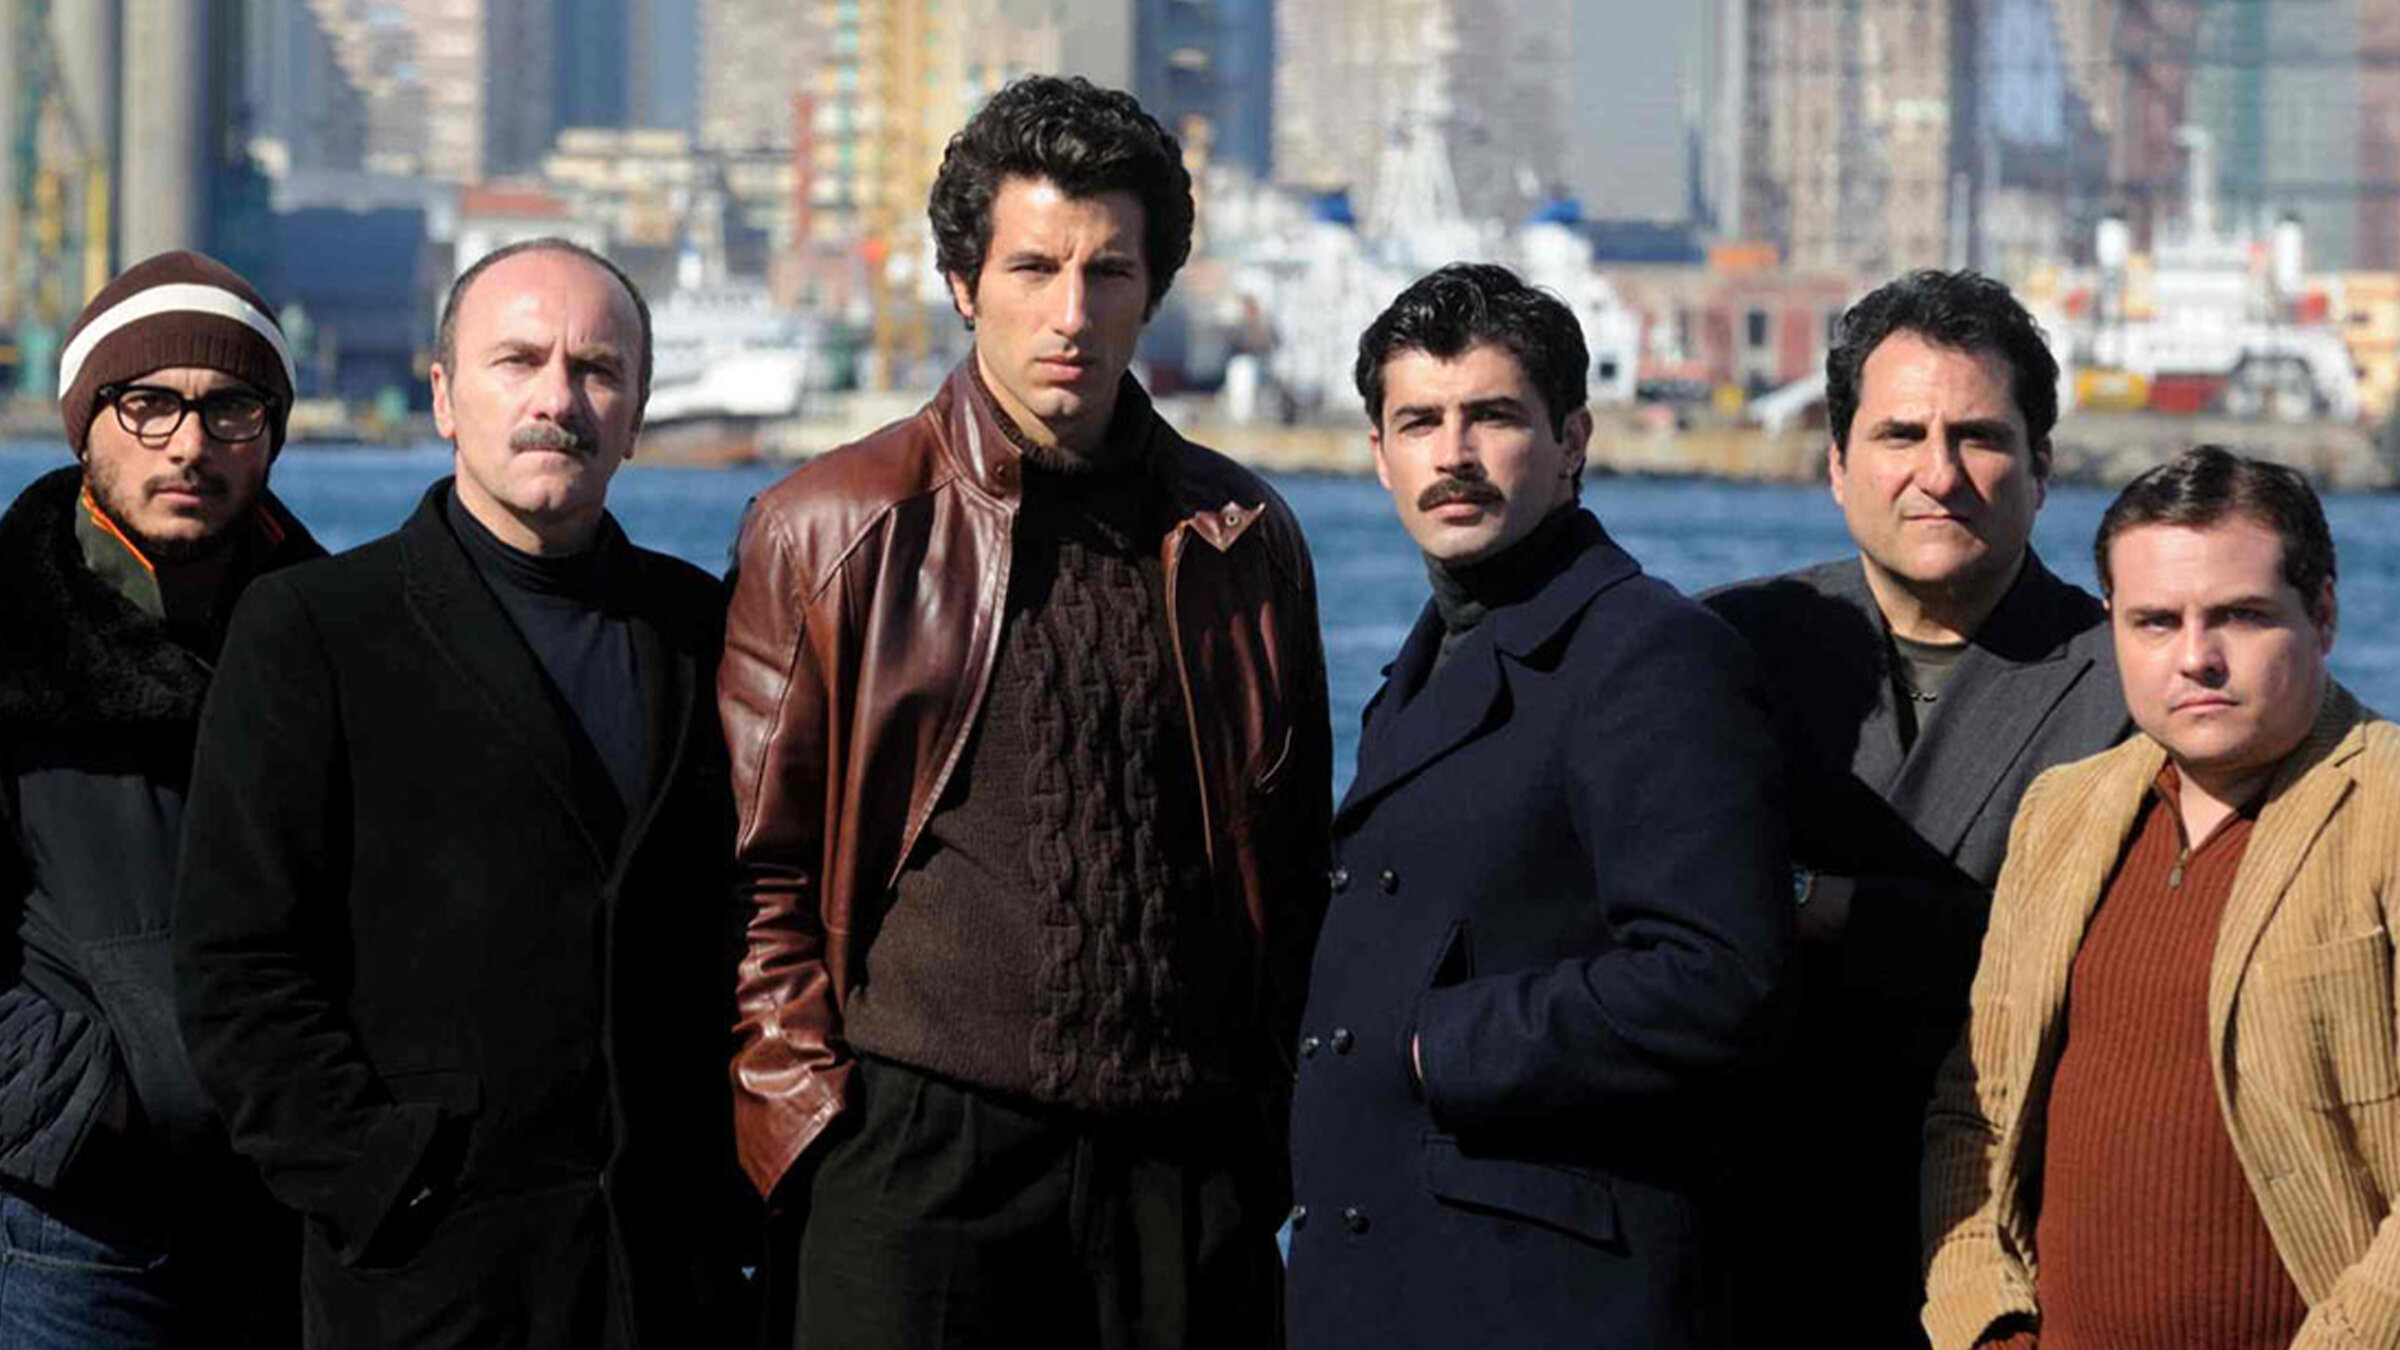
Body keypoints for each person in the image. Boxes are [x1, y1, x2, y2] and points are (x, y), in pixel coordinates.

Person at [720, 74, 1331, 1348]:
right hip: (915, 1165)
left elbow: (1289, 866)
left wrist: (1265, 1131)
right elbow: (756, 873)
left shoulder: (1242, 537)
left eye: (1109, 273)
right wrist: (810, 1128)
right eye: (1034, 268)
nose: (1071, 314)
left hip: (1183, 1171)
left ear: (1154, 291)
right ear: (963, 284)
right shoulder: (831, 527)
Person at [173, 238, 744, 1348]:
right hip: (427, 1282)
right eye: (517, 361)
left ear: (636, 415)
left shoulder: (705, 628)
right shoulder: (315, 629)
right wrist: (375, 1177)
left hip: (669, 1276)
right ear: (442, 397)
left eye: (597, 370)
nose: (557, 400)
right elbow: (237, 965)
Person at [1284, 262, 1789, 1349]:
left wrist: (1441, 1042)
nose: (1453, 455)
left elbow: (1720, 980)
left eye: (1493, 417)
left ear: (1572, 440)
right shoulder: (1426, 666)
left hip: (1540, 1295)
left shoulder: (1651, 655)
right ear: (1378, 454)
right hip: (1398, 1279)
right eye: (1419, 422)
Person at [1703, 268, 2127, 1345]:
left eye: (1978, 437)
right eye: (1900, 435)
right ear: (1837, 464)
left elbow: (2110, 969)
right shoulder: (1718, 653)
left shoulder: (2133, 684)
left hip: (2009, 1254)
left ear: (2042, 467)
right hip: (1746, 1242)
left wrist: (1814, 901)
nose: (1939, 474)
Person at [1922, 446, 2394, 1350]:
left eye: (2240, 616)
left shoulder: (2387, 811)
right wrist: (1985, 1324)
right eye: (2155, 622)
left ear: (2323, 614)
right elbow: (1976, 1107)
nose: (2196, 658)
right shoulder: (2063, 812)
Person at [0, 250, 321, 1347]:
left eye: (231, 407)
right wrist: (85, 1106)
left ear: (270, 435)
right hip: (72, 1227)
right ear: (86, 424)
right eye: (148, 404)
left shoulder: (345, 643)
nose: (189, 443)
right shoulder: (11, 638)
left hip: (297, 1215)